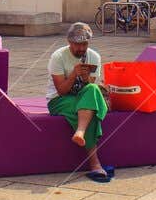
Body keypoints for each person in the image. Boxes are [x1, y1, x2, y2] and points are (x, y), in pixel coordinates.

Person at [47, 22, 112, 183]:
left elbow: (90, 87)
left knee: (93, 91)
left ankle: (80, 132)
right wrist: (73, 75)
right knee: (90, 112)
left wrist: (85, 78)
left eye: (84, 44)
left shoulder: (94, 57)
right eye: (77, 44)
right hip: (59, 100)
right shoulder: (58, 57)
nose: (81, 48)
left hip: (83, 98)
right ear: (69, 42)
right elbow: (61, 90)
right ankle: (95, 163)